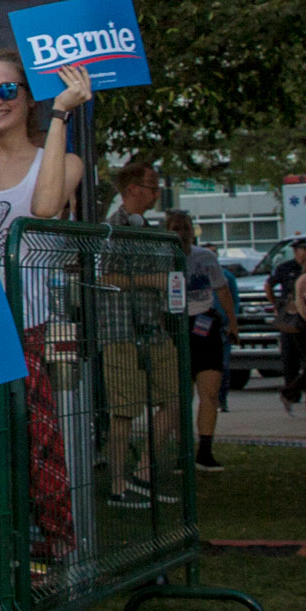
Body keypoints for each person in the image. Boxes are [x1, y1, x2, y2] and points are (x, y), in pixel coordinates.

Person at [0, 54, 88, 561]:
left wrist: (60, 115)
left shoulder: (60, 159)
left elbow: (44, 207)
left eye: (6, 91)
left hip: (28, 329)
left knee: (32, 460)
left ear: (27, 97)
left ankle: (51, 561)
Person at [100, 161, 184, 502]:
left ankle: (144, 470)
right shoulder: (109, 230)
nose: (156, 193)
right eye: (151, 186)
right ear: (132, 188)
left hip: (153, 328)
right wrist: (151, 282)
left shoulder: (150, 229)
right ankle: (119, 484)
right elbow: (103, 278)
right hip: (119, 329)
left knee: (176, 395)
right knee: (123, 409)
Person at [167, 211, 235, 473]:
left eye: (185, 227)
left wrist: (233, 322)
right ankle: (182, 453)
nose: (180, 233)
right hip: (175, 324)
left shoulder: (205, 257)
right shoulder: (160, 257)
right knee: (181, 395)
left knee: (209, 392)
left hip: (204, 326)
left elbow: (222, 289)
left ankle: (205, 451)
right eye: (175, 228)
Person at [274, 240, 306, 415]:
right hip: (303, 328)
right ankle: (289, 392)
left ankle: (305, 401)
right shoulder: (304, 278)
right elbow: (300, 304)